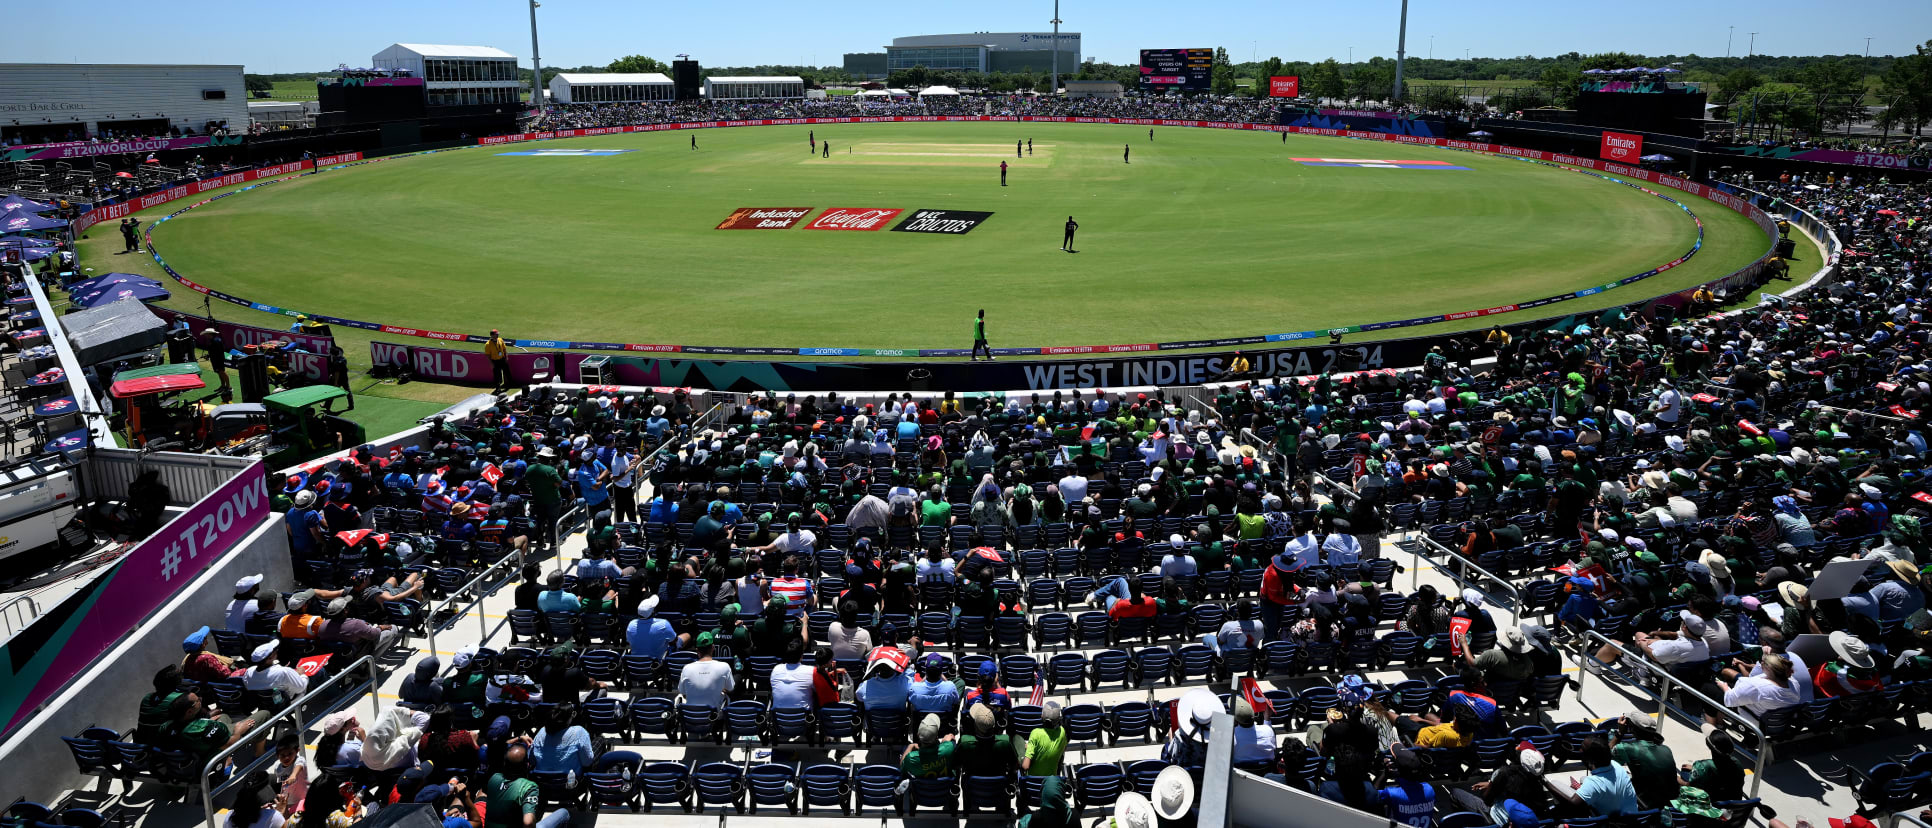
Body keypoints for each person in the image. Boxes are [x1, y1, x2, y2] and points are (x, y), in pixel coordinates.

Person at [484, 745, 568, 828]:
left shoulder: (494, 778)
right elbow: (528, 823)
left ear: (504, 764)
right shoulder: (528, 787)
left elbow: (481, 794)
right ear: (527, 765)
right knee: (564, 813)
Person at [677, 631, 735, 709]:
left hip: (692, 716)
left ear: (697, 650)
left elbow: (683, 692)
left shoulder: (686, 668)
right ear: (713, 647)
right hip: (714, 717)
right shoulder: (724, 666)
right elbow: (730, 689)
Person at [1024, 702, 1069, 776]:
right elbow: (1063, 749)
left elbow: (1025, 766)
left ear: (1042, 716)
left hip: (1033, 783)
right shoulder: (1062, 733)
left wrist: (1028, 749)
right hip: (1050, 781)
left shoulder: (1035, 733)